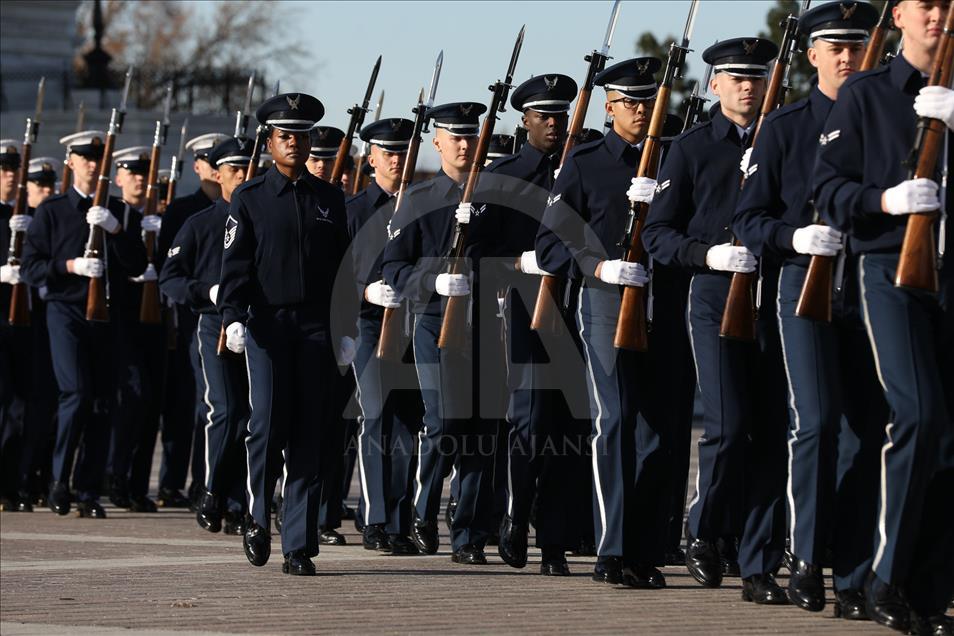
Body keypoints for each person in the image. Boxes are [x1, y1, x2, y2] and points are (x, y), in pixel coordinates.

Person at [730, 1, 886, 618]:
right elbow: (749, 218)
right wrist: (793, 239)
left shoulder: (886, 118)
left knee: (866, 432)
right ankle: (803, 556)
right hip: (804, 287)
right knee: (816, 423)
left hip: (871, 284)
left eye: (856, 45)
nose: (846, 57)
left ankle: (852, 575)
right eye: (835, 47)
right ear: (812, 55)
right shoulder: (786, 126)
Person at [814, 0, 954, 632]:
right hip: (889, 270)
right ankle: (884, 574)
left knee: (950, 437)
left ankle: (929, 591)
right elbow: (829, 189)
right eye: (926, 4)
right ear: (899, 13)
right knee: (917, 414)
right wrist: (885, 198)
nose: (939, 15)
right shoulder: (868, 93)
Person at [642, 38, 793, 604]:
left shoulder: (784, 138)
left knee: (772, 430)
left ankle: (758, 559)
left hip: (773, 290)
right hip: (712, 293)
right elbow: (658, 233)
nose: (747, 86)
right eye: (734, 77)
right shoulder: (691, 148)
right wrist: (706, 254)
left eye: (756, 77)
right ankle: (704, 527)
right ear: (714, 84)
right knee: (728, 425)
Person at [534, 57, 677, 588]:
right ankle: (611, 547)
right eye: (630, 102)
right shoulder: (586, 163)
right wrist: (595, 263)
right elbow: (550, 242)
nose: (640, 111)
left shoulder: (674, 157)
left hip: (668, 303)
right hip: (605, 302)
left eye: (648, 101)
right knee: (614, 421)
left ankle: (647, 547)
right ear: (610, 107)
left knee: (658, 431)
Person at [219, 92, 356, 576]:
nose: (294, 144)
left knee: (310, 434)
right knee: (267, 426)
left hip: (316, 328)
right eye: (285, 136)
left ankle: (297, 543)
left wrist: (346, 326)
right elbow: (235, 264)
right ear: (270, 142)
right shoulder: (250, 198)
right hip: (268, 326)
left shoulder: (330, 199)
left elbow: (344, 267)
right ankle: (257, 517)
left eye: (301, 136)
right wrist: (233, 316)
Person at [477, 72, 592, 576]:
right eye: (543, 115)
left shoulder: (580, 166)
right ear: (523, 120)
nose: (553, 122)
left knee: (572, 425)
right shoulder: (505, 176)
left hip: (577, 302)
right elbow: (478, 255)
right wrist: (523, 263)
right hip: (524, 306)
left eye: (560, 114)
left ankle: (554, 541)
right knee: (529, 423)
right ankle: (515, 517)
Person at [381, 101, 500, 565]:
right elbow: (394, 267)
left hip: (486, 324)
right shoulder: (418, 199)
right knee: (446, 422)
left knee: (480, 432)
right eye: (456, 137)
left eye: (471, 136)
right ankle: (424, 511)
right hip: (435, 323)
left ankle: (468, 536)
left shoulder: (497, 196)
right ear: (438, 142)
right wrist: (433, 279)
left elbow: (518, 257)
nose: (465, 144)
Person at [19, 130, 147, 518]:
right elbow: (30, 267)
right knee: (75, 394)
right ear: (71, 163)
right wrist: (69, 266)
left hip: (106, 317)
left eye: (97, 159)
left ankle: (88, 490)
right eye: (85, 158)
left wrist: (117, 230)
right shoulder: (52, 211)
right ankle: (59, 480)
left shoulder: (119, 212)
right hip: (66, 312)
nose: (92, 165)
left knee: (103, 403)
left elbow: (139, 265)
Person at [160, 136, 253, 536]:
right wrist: (208, 292)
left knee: (253, 416)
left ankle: (239, 502)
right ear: (218, 174)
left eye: (250, 168)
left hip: (256, 326)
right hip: (214, 324)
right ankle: (212, 489)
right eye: (235, 170)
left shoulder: (265, 218)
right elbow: (171, 279)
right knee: (225, 410)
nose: (244, 176)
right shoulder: (201, 223)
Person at [346, 116, 423, 555]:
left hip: (414, 323)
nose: (396, 159)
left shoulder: (423, 205)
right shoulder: (354, 211)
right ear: (370, 157)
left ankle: (399, 520)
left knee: (407, 424)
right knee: (376, 418)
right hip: (369, 324)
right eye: (387, 151)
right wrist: (364, 291)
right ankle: (375, 519)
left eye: (403, 151)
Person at [156, 131, 229, 510]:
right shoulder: (186, 212)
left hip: (237, 320)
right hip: (196, 318)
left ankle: (212, 485)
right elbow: (170, 270)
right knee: (194, 404)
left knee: (221, 407)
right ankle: (178, 481)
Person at [104, 146, 164, 513]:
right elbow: (120, 263)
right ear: (119, 178)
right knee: (132, 397)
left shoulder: (162, 215)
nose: (140, 178)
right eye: (132, 172)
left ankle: (138, 485)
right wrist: (126, 235)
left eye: (144, 172)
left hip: (156, 322)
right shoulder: (111, 214)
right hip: (121, 319)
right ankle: (115, 476)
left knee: (152, 403)